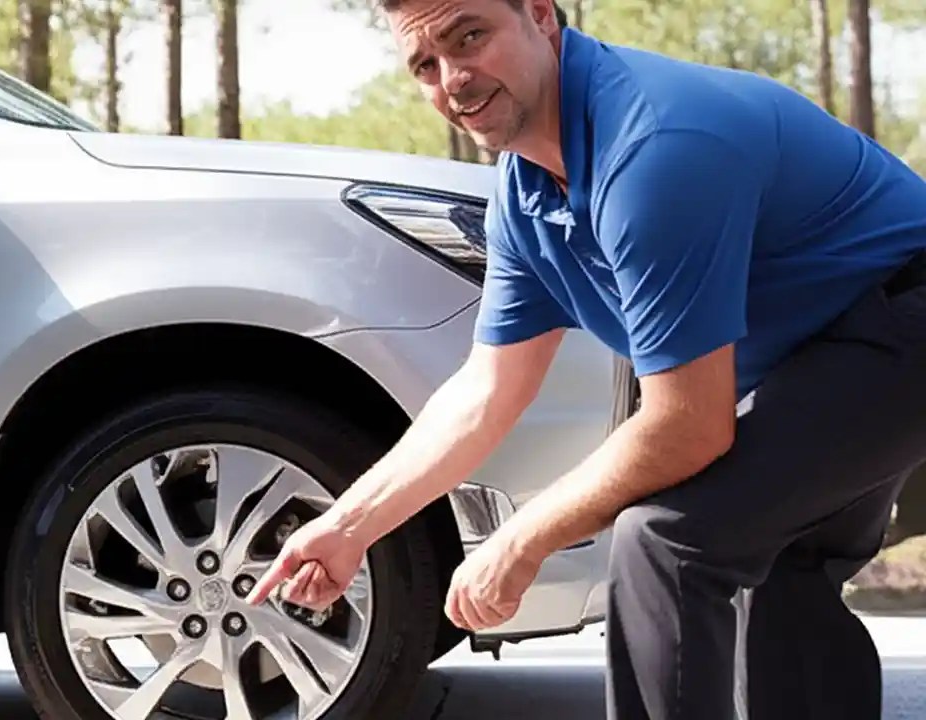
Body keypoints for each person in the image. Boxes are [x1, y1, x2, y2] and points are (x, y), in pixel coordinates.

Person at [246, 0, 926, 717]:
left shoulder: (654, 146)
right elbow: (486, 391)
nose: (453, 78)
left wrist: (519, 542)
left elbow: (688, 427)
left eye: (469, 36)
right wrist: (349, 527)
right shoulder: (527, 191)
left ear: (540, 16)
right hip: (822, 354)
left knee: (667, 538)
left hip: (902, 321)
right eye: (425, 64)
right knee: (778, 565)